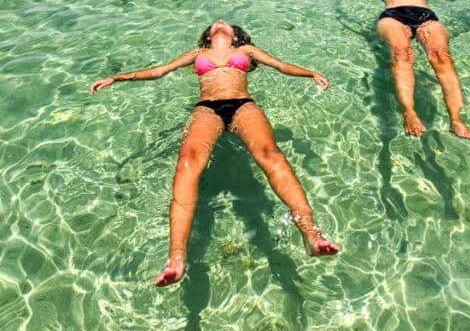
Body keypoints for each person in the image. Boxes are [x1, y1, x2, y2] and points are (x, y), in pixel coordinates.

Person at [90, 19, 339, 287]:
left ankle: (311, 235)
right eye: (215, 23)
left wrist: (310, 73)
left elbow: (280, 65)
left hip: (243, 106)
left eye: (227, 23)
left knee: (270, 153)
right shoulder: (198, 54)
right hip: (207, 109)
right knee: (187, 162)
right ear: (208, 36)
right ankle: (176, 257)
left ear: (236, 36)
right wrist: (117, 78)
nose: (220, 22)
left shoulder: (247, 51)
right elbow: (159, 71)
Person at [338, 0, 470, 139]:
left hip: (425, 16)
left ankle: (456, 119)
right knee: (402, 56)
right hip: (394, 16)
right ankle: (409, 112)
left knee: (443, 58)